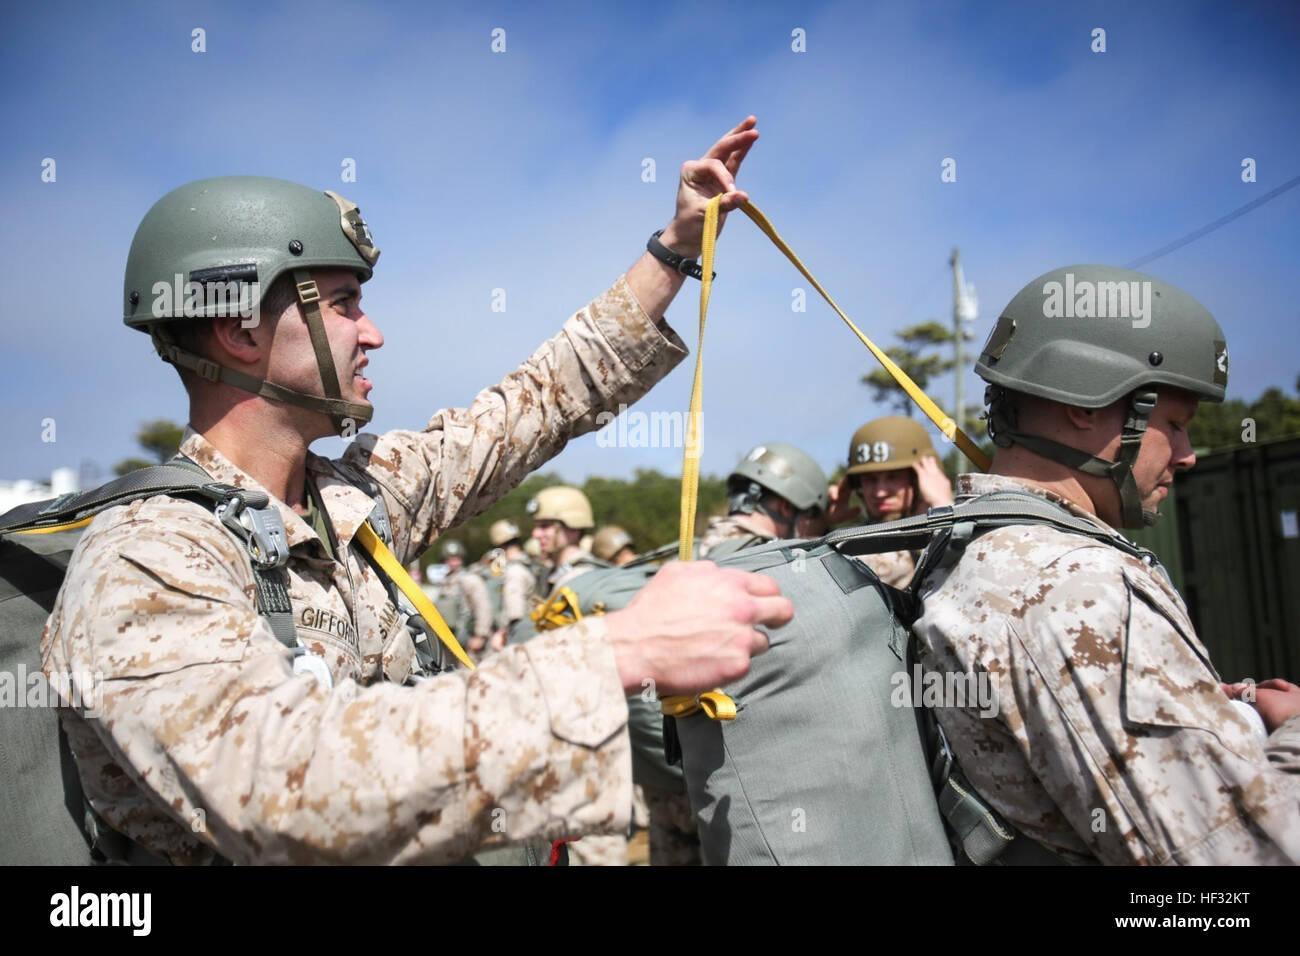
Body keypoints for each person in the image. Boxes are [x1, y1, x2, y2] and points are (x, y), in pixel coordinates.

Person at [40, 118, 794, 865]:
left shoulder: (354, 503)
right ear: (239, 331)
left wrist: (672, 249)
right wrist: (612, 654)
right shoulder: (146, 556)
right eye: (342, 304)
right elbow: (279, 794)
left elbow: (536, 405)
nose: (373, 334)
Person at [913, 263, 1300, 864]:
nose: (1189, 455)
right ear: (1084, 403)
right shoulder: (1074, 587)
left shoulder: (966, 548)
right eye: (1173, 425)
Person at [825, 416, 953, 587]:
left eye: (893, 477)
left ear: (919, 478)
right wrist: (824, 524)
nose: (880, 492)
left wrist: (943, 507)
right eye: (870, 479)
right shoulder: (861, 544)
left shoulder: (928, 546)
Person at [698, 442, 831, 558]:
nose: (808, 528)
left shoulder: (690, 551)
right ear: (786, 507)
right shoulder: (773, 562)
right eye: (808, 516)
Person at [529, 486, 609, 592]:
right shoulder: (554, 573)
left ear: (574, 527)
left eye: (545, 526)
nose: (535, 534)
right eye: (536, 526)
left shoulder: (582, 576)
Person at [485, 519, 539, 652]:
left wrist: (502, 633)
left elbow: (514, 614)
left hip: (520, 637)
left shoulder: (514, 571)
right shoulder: (529, 564)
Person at [434, 540, 494, 653]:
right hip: (451, 638)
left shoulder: (470, 579)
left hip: (469, 636)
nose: (453, 562)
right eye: (449, 558)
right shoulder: (446, 581)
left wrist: (480, 635)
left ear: (461, 558)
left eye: (456, 558)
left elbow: (483, 607)